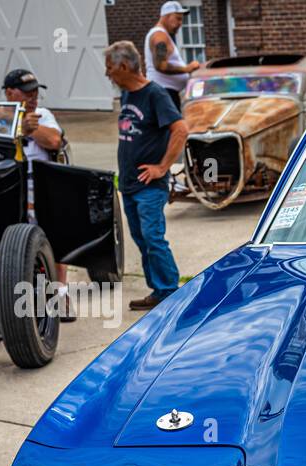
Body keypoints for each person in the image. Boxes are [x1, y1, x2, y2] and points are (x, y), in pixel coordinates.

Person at [0, 69, 72, 313]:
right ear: (10, 93)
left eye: (36, 92)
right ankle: (13, 296)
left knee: (56, 236)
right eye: (27, 93)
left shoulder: (44, 114)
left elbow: (53, 141)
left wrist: (26, 125)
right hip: (8, 187)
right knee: (9, 241)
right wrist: (18, 124)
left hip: (42, 184)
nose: (33, 97)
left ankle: (60, 294)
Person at [104, 40, 188, 311]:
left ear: (125, 66)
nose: (108, 74)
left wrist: (162, 168)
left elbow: (180, 130)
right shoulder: (128, 94)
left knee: (153, 236)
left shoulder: (156, 94)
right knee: (141, 238)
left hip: (150, 185)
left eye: (110, 68)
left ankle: (170, 291)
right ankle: (159, 290)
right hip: (129, 183)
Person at [145, 0, 200, 111]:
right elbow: (161, 65)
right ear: (166, 16)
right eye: (178, 19)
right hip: (164, 94)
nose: (180, 23)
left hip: (166, 93)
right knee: (174, 128)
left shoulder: (161, 34)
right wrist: (186, 69)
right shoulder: (159, 36)